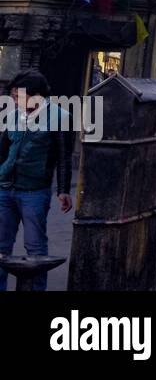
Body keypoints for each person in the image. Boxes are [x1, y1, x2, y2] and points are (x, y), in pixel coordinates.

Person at [0, 71, 74, 291]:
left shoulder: (60, 117)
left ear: (37, 96)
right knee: (1, 248)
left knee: (35, 249)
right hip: (4, 189)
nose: (15, 101)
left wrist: (63, 190)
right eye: (13, 97)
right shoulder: (13, 115)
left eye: (18, 96)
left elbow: (63, 156)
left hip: (34, 192)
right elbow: (3, 149)